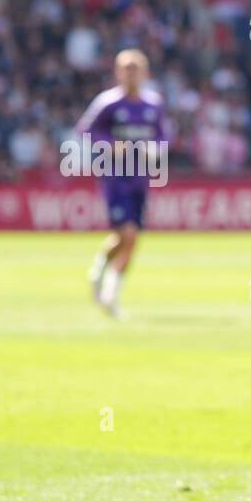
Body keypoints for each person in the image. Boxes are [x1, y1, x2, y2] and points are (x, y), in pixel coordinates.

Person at [78, 49, 167, 319]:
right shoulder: (108, 103)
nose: (131, 74)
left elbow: (164, 134)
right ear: (118, 72)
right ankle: (110, 295)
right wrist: (108, 145)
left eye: (135, 69)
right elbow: (86, 130)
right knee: (127, 233)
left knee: (128, 238)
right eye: (126, 69)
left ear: (144, 73)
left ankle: (99, 271)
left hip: (141, 177)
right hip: (115, 176)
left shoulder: (153, 104)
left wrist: (157, 149)